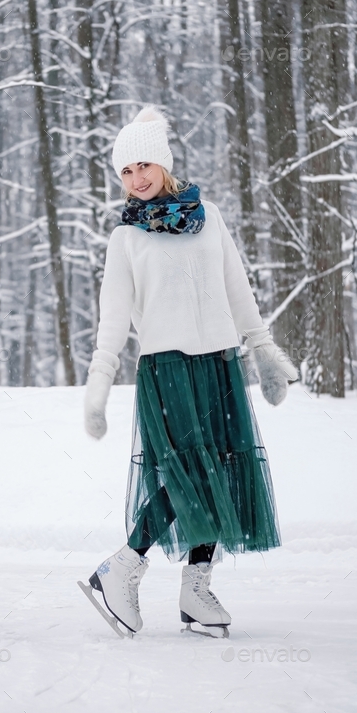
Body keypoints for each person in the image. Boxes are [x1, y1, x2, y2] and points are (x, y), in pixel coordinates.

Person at [78, 106, 297, 639]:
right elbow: (112, 323)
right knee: (189, 475)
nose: (136, 179)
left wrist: (263, 348)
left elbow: (237, 288)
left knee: (222, 470)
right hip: (168, 370)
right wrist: (97, 387)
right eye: (126, 172)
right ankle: (122, 568)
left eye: (144, 165)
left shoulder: (210, 218)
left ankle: (195, 587)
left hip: (220, 364)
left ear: (165, 163)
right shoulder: (126, 239)